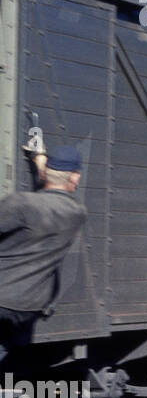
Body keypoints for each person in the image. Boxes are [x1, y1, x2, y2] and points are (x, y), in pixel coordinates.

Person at [0, 146, 88, 367]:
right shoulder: (76, 213)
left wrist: (40, 162)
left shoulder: (20, 204)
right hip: (29, 307)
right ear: (75, 178)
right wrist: (41, 160)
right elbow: (54, 192)